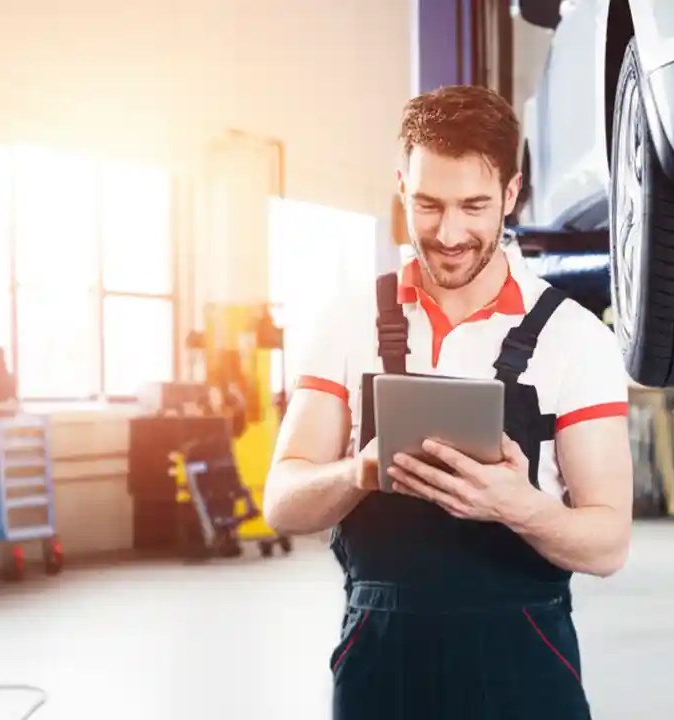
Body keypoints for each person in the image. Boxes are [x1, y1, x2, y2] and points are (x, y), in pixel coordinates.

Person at [264, 84, 634, 720]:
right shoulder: (349, 321)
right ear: (401, 187)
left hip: (522, 661)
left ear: (511, 195)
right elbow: (282, 502)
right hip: (379, 661)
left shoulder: (575, 339)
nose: (449, 233)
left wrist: (518, 506)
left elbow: (607, 545)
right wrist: (358, 472)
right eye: (428, 205)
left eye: (474, 206)